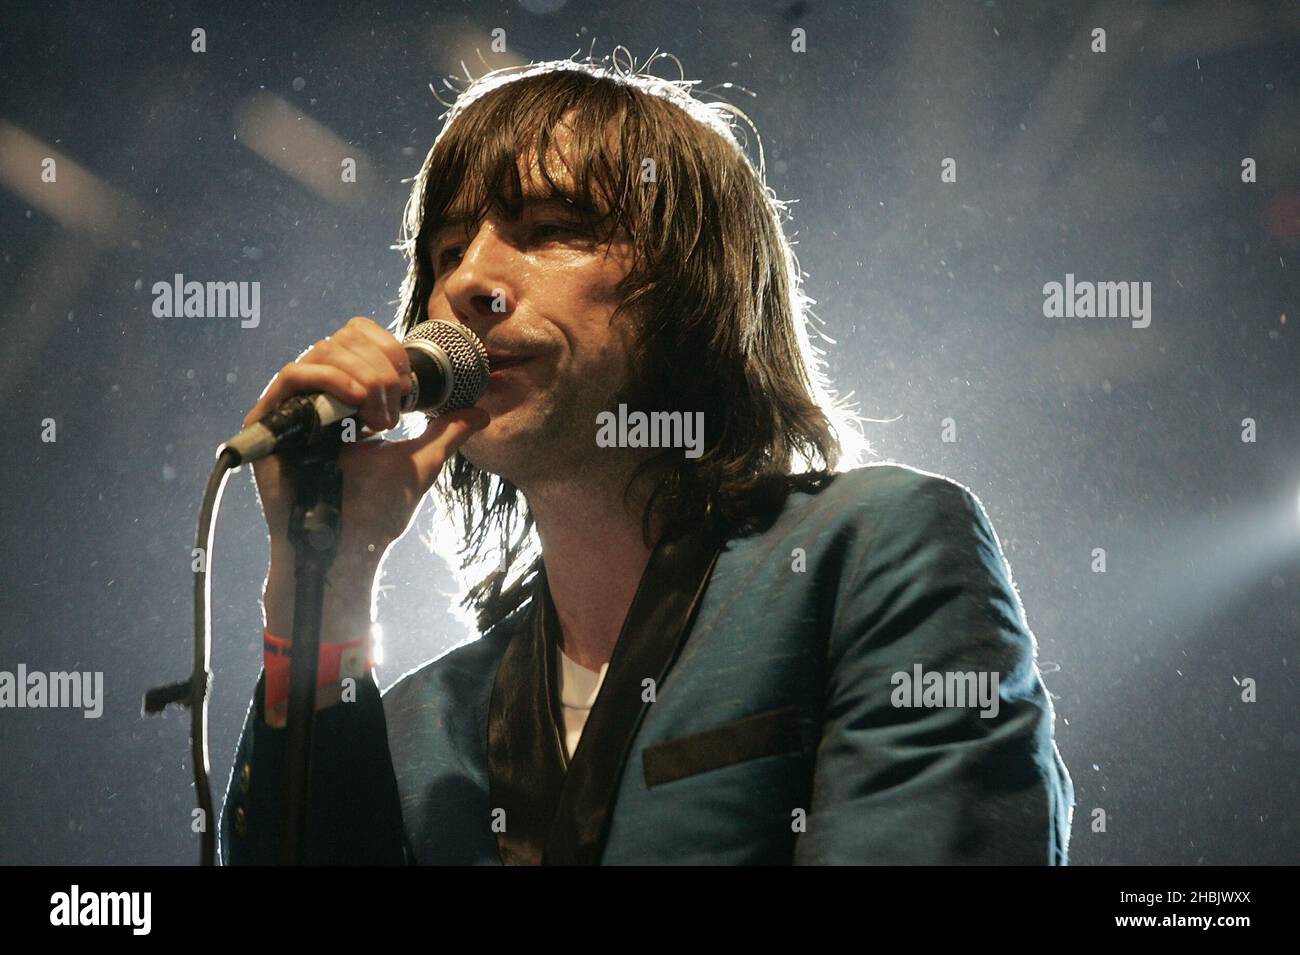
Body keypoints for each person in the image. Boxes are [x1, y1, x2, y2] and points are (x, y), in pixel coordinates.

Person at [220, 56, 1074, 865]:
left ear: (695, 289)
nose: (469, 280)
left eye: (551, 230)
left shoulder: (873, 552)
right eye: (446, 252)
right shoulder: (421, 727)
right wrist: (323, 581)